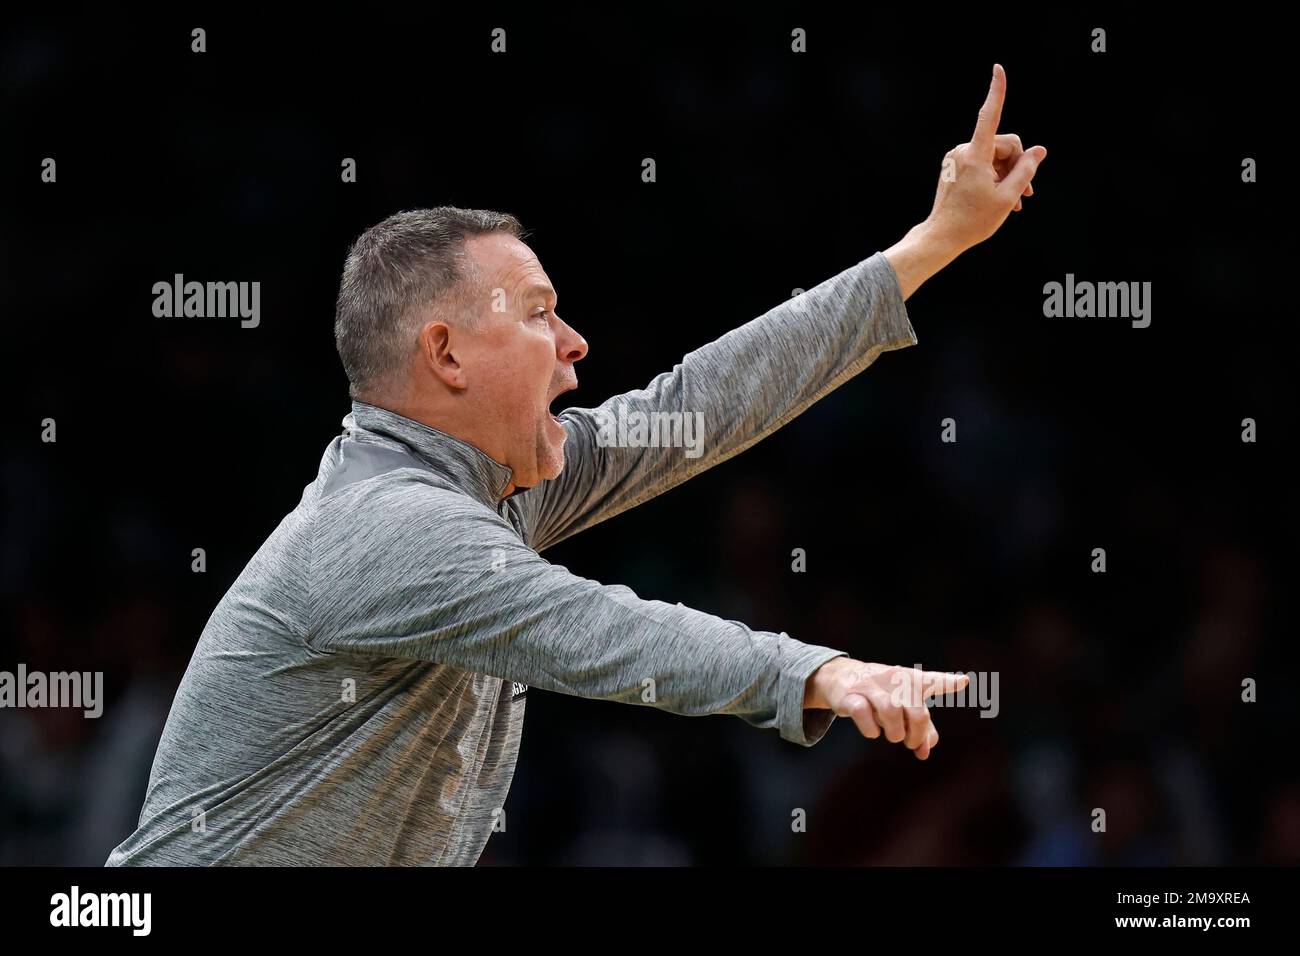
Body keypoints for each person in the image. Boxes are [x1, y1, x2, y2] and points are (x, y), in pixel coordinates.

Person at [107, 64, 1045, 866]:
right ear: (446, 354)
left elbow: (696, 410)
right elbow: (602, 631)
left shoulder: (483, 489)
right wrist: (817, 674)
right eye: (539, 312)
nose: (575, 343)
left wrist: (934, 243)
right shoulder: (392, 527)